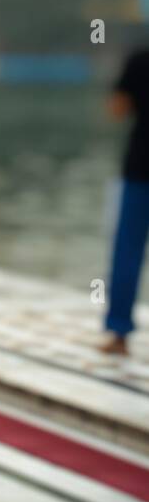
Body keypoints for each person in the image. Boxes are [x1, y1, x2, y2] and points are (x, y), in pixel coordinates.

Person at [100, 46, 149, 355]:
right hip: (137, 169)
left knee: (127, 252)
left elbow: (117, 109)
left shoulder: (139, 60)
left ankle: (118, 334)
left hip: (140, 167)